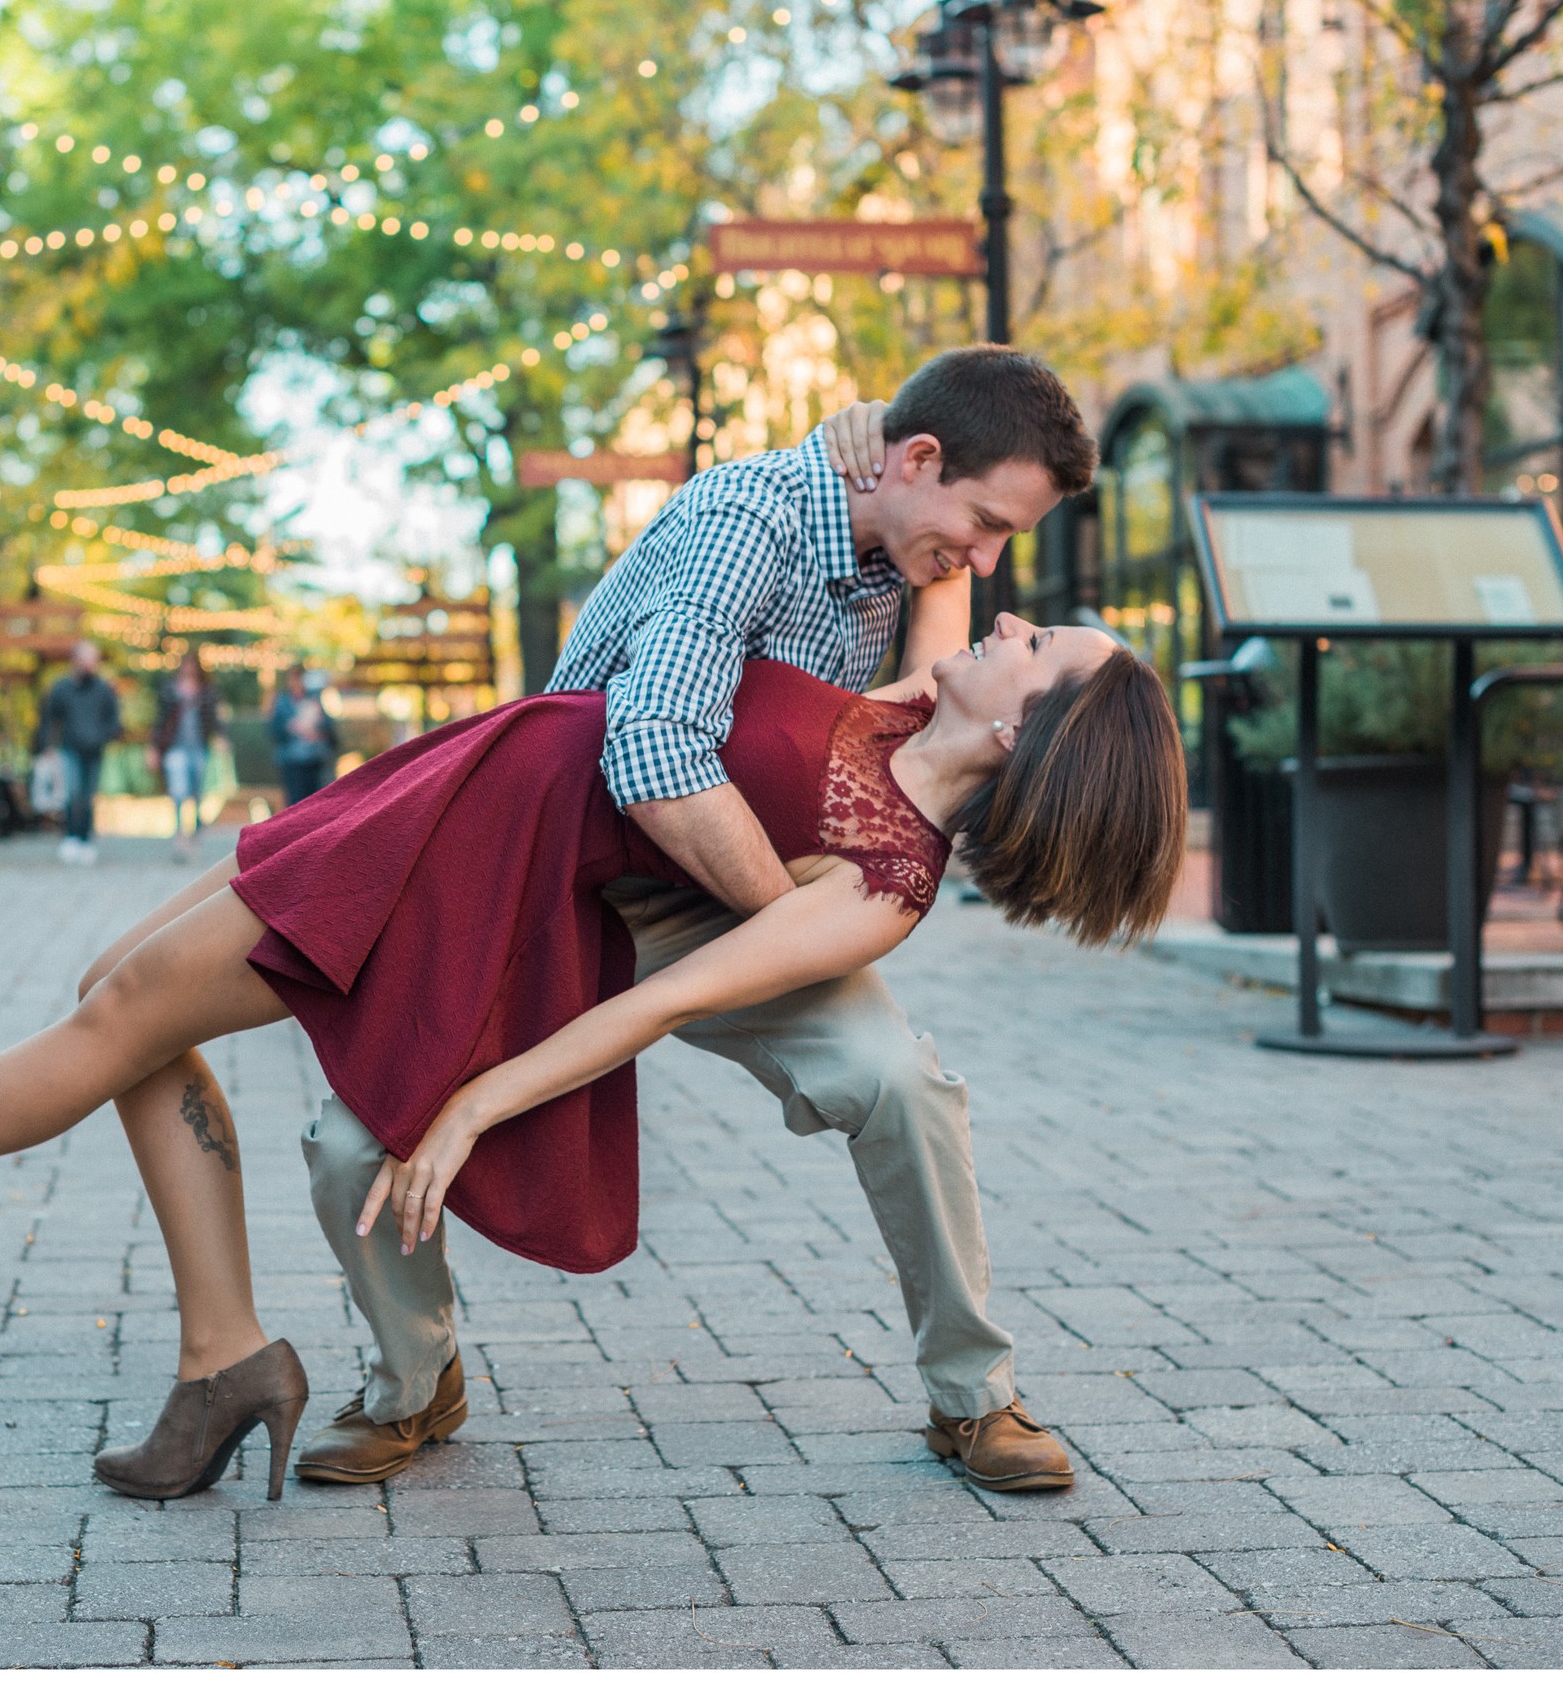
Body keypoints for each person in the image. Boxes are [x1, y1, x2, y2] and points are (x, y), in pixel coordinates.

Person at [0, 426, 1184, 1510]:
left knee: (903, 1079)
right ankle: (239, 1357)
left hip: (575, 882)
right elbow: (923, 503)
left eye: (1040, 629)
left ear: (1031, 723)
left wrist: (499, 1083)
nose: (1004, 587)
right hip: (476, 799)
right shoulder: (926, 645)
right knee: (124, 1000)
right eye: (995, 542)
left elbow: (678, 980)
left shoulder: (889, 855)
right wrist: (859, 444)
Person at [287, 346, 1114, 1493]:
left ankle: (973, 1395)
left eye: (1002, 541)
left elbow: (958, 626)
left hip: (759, 905)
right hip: (574, 874)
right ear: (914, 462)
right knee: (349, 1141)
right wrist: (787, 926)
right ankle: (410, 1382)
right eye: (985, 527)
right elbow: (656, 746)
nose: (987, 571)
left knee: (902, 1088)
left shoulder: (911, 571)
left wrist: (790, 937)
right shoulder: (778, 520)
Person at [38, 642, 120, 865]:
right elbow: (49, 719)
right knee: (72, 793)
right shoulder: (62, 689)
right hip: (70, 749)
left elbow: (114, 723)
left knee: (88, 795)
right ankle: (71, 837)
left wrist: (99, 737)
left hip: (94, 751)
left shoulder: (104, 690)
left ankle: (86, 839)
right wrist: (46, 746)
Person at [149, 649, 223, 858]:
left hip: (198, 746)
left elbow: (215, 718)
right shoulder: (170, 690)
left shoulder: (206, 691)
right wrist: (154, 747)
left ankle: (196, 829)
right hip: (176, 748)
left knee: (197, 791)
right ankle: (180, 832)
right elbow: (160, 721)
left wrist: (220, 737)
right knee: (179, 791)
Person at [267, 662, 339, 807]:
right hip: (292, 760)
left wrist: (318, 728)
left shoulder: (315, 699)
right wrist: (290, 727)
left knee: (315, 802)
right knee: (296, 803)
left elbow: (329, 726)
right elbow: (274, 729)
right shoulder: (282, 701)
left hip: (315, 758)